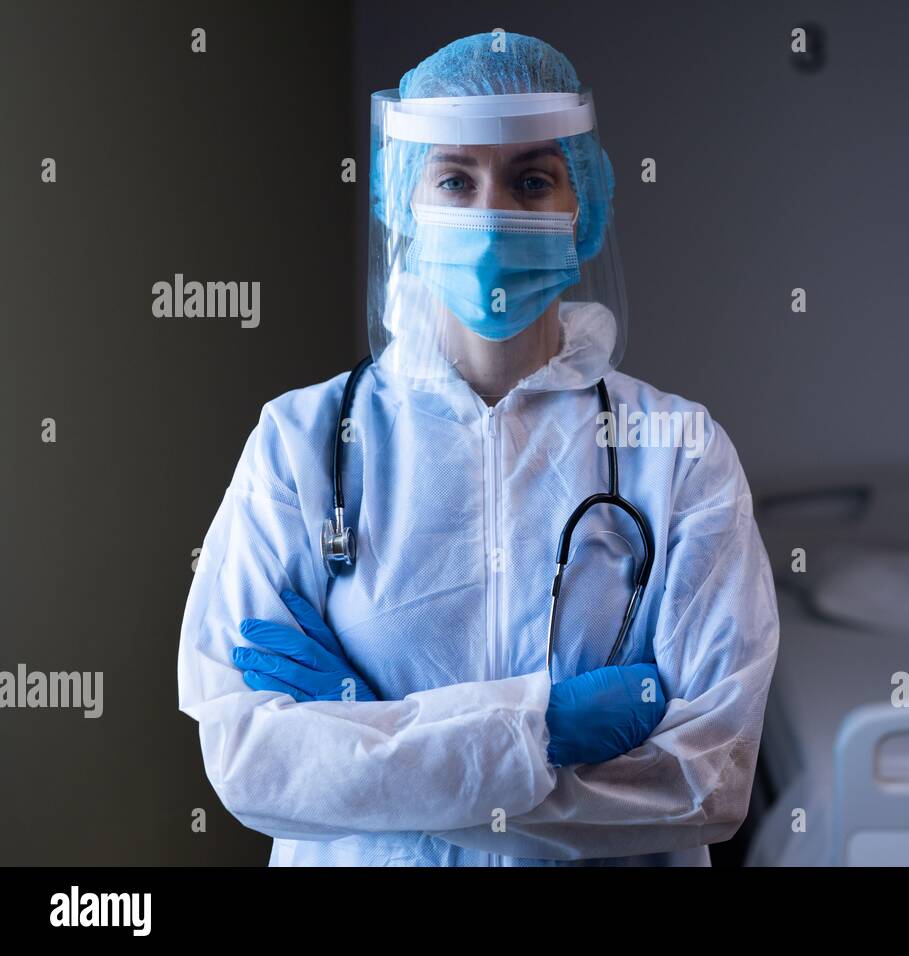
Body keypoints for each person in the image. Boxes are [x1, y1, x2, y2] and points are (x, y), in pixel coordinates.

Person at [177, 31, 779, 866]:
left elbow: (705, 783)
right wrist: (542, 733)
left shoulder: (677, 452)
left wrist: (368, 730)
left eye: (533, 180)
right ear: (400, 199)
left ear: (587, 206)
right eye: (455, 179)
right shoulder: (302, 443)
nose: (491, 212)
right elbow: (251, 764)